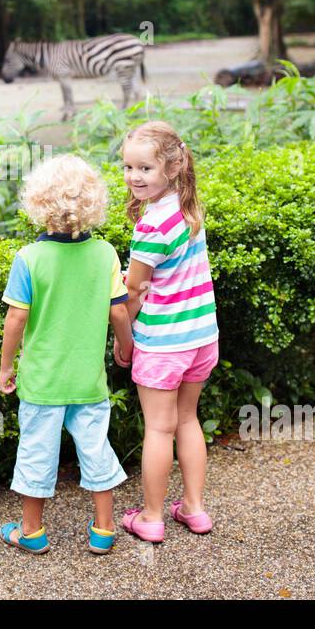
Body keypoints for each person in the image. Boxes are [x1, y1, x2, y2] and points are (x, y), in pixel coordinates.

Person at [0, 153, 133, 555]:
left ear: (38, 203)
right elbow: (119, 310)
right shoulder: (105, 254)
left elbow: (16, 320)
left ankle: (32, 531)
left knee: (37, 451)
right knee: (96, 448)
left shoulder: (29, 259)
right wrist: (126, 346)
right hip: (89, 381)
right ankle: (104, 529)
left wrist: (7, 365)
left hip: (43, 383)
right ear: (94, 202)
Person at [115, 120, 219, 543]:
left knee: (158, 429)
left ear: (172, 168)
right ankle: (194, 509)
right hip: (201, 337)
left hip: (163, 344)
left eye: (144, 169)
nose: (134, 177)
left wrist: (125, 333)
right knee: (188, 419)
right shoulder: (188, 208)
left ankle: (152, 517)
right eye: (127, 168)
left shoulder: (152, 227)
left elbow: (135, 291)